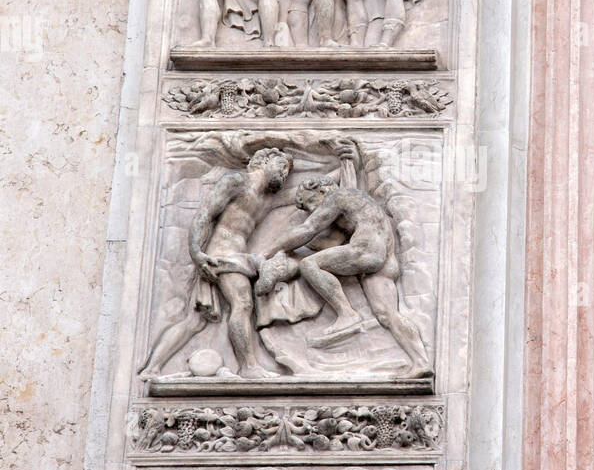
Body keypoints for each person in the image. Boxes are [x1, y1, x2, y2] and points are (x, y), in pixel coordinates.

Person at [140, 147, 294, 381]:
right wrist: (196, 253)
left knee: (195, 321)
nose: (284, 174)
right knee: (242, 304)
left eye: (288, 171)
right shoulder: (236, 182)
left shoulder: (266, 199)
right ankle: (248, 367)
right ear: (263, 161)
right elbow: (205, 214)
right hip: (222, 255)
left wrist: (346, 163)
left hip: (237, 257)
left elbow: (303, 191)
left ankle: (153, 367)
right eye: (281, 166)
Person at [255, 175, 431, 377]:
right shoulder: (357, 206)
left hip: (366, 249)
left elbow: (309, 228)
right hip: (384, 257)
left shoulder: (338, 195)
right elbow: (331, 245)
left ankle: (347, 314)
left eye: (309, 202)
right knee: (387, 315)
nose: (312, 210)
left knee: (309, 264)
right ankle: (421, 361)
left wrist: (267, 251)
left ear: (319, 189)